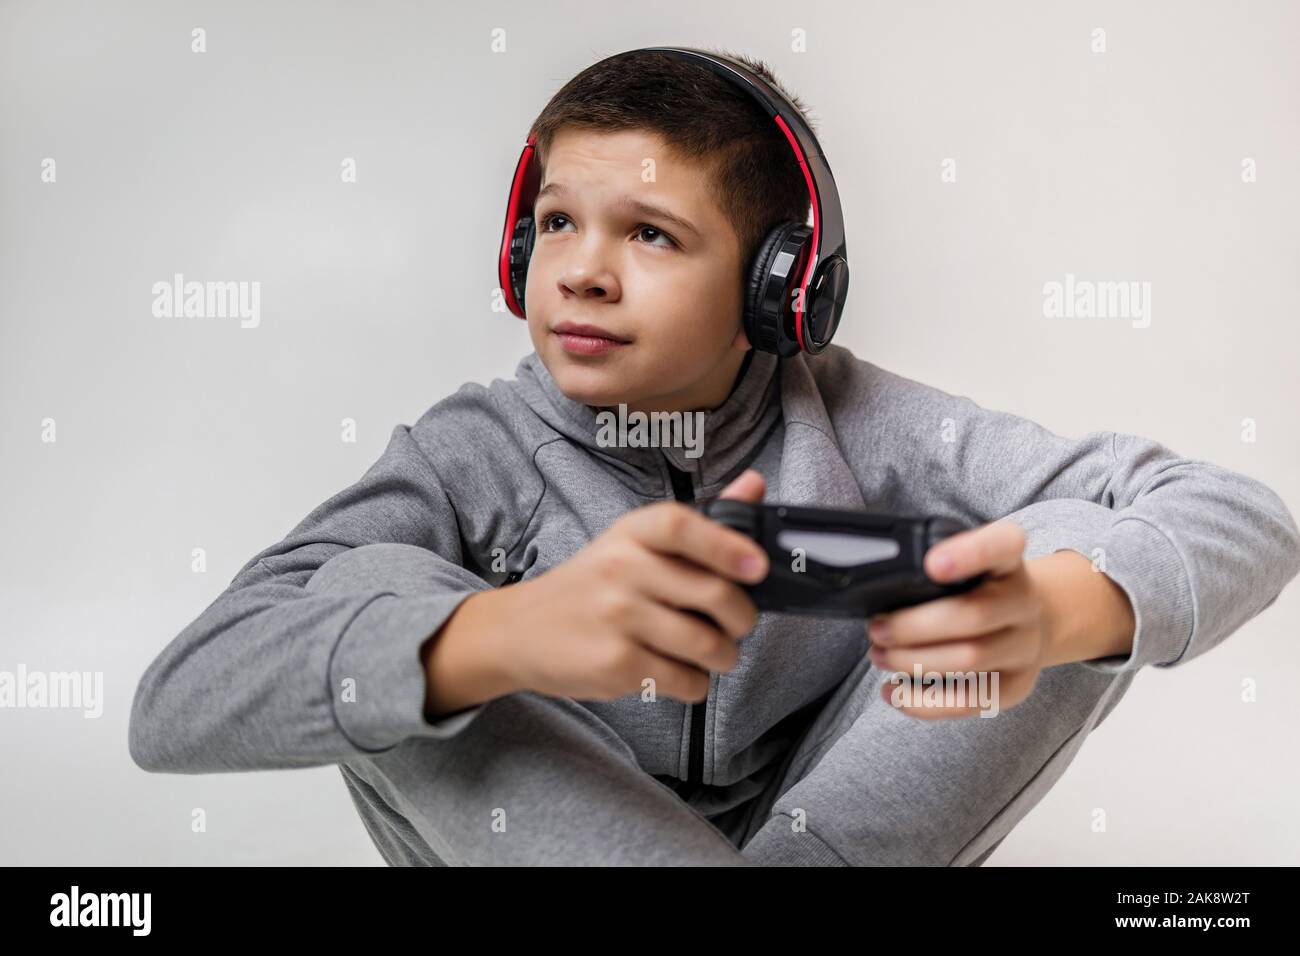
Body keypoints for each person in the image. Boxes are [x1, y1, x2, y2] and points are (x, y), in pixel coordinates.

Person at [128, 48, 1300, 866]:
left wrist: (1046, 612)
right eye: (554, 223)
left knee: (1068, 552)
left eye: (648, 233)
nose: (581, 270)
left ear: (777, 288)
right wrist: (503, 635)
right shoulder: (468, 453)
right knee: (376, 597)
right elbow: (175, 701)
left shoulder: (866, 427)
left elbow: (1242, 513)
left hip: (820, 839)